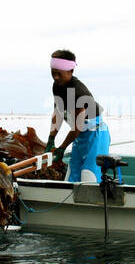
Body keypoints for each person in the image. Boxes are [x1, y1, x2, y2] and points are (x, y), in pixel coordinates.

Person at [45, 49, 113, 183]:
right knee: (72, 174)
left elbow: (77, 127)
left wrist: (62, 148)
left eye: (59, 74)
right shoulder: (57, 86)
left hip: (95, 135)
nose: (56, 77)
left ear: (71, 71)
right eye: (53, 73)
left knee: (89, 175)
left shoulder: (78, 92)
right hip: (80, 136)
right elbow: (58, 113)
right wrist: (51, 139)